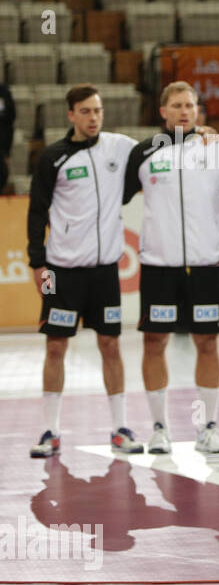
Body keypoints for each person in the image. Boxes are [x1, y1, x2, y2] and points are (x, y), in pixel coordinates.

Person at [26, 84, 143, 458]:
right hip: (62, 272)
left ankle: (120, 428)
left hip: (104, 271)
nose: (94, 118)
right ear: (71, 115)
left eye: (98, 111)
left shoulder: (119, 147)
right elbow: (36, 212)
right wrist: (37, 262)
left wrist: (194, 135)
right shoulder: (54, 158)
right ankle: (50, 431)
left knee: (111, 345)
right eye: (86, 111)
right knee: (56, 346)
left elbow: (157, 149)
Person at [124, 81, 219, 455]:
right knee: (154, 342)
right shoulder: (144, 152)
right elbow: (113, 197)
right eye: (177, 105)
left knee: (209, 343)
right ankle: (160, 429)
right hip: (160, 265)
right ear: (163, 111)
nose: (185, 111)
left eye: (190, 105)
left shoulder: (215, 148)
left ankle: (208, 428)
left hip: (205, 264)